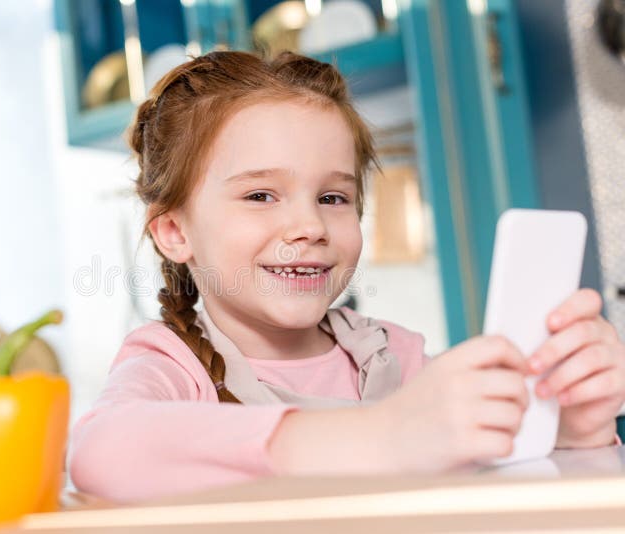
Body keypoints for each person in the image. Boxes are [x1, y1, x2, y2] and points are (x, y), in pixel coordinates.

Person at [68, 50, 625, 503]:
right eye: (260, 195)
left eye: (333, 197)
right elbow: (101, 451)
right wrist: (384, 437)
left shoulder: (394, 358)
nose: (310, 225)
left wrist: (570, 423)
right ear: (173, 233)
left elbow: (496, 458)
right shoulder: (172, 366)